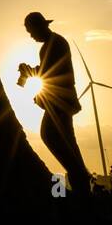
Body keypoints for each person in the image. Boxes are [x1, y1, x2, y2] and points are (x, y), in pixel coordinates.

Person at [19, 12, 91, 196]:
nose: (31, 36)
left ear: (39, 27)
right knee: (65, 140)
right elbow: (47, 71)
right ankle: (80, 179)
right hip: (60, 100)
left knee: (50, 135)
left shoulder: (54, 44)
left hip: (61, 101)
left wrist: (29, 71)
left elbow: (48, 72)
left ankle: (78, 175)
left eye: (31, 31)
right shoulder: (52, 44)